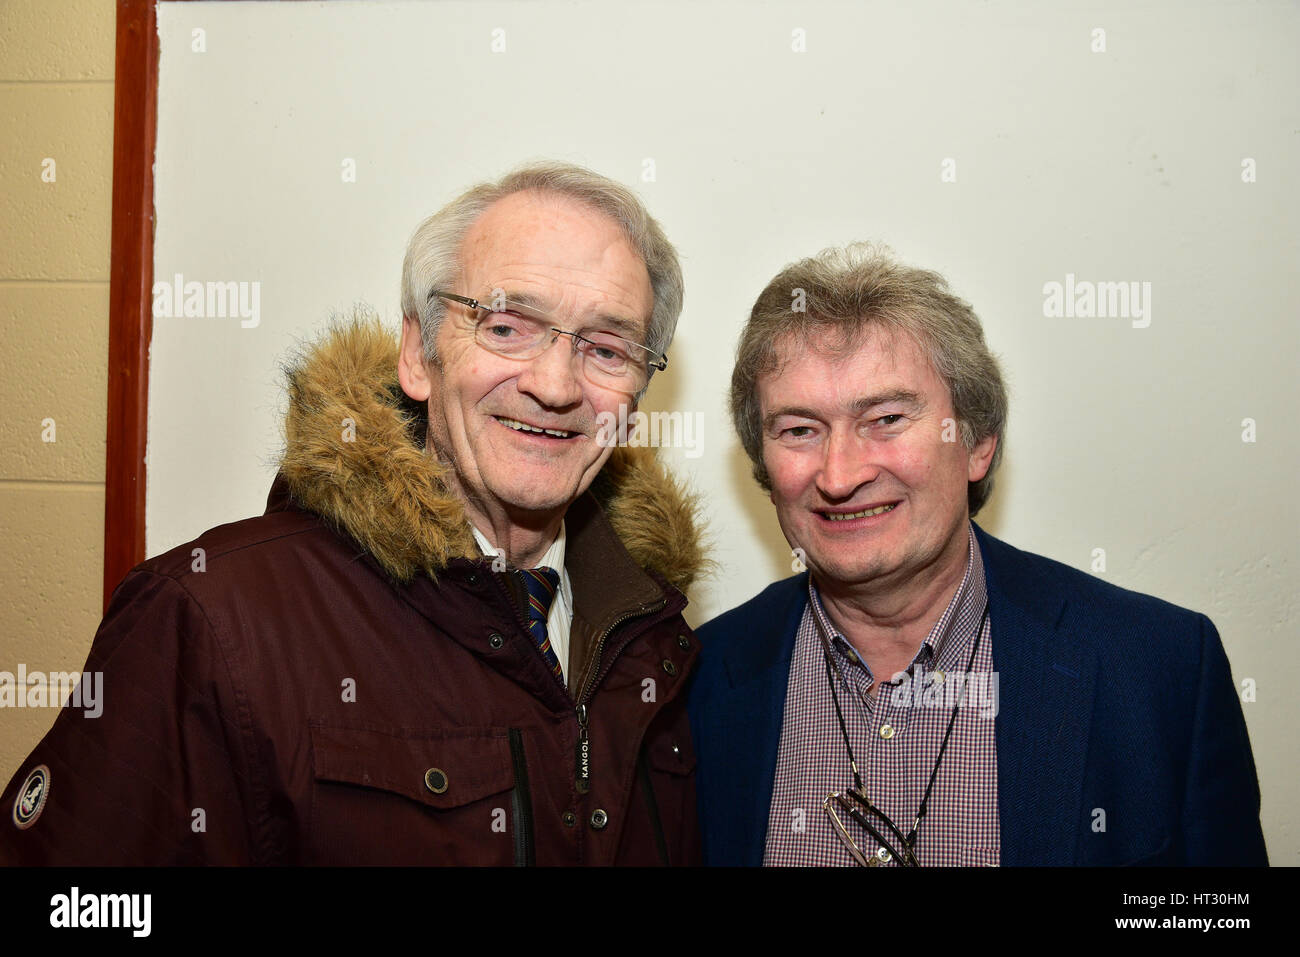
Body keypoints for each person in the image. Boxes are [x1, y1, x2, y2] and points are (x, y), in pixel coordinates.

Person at [1, 162, 705, 865]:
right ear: (417, 354)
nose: (555, 386)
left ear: (638, 391)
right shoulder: (211, 618)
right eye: (507, 326)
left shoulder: (650, 642)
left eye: (606, 348)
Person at [688, 243, 1267, 866]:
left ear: (978, 442)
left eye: (885, 418)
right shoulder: (692, 687)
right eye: (799, 430)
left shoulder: (1159, 670)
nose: (839, 474)